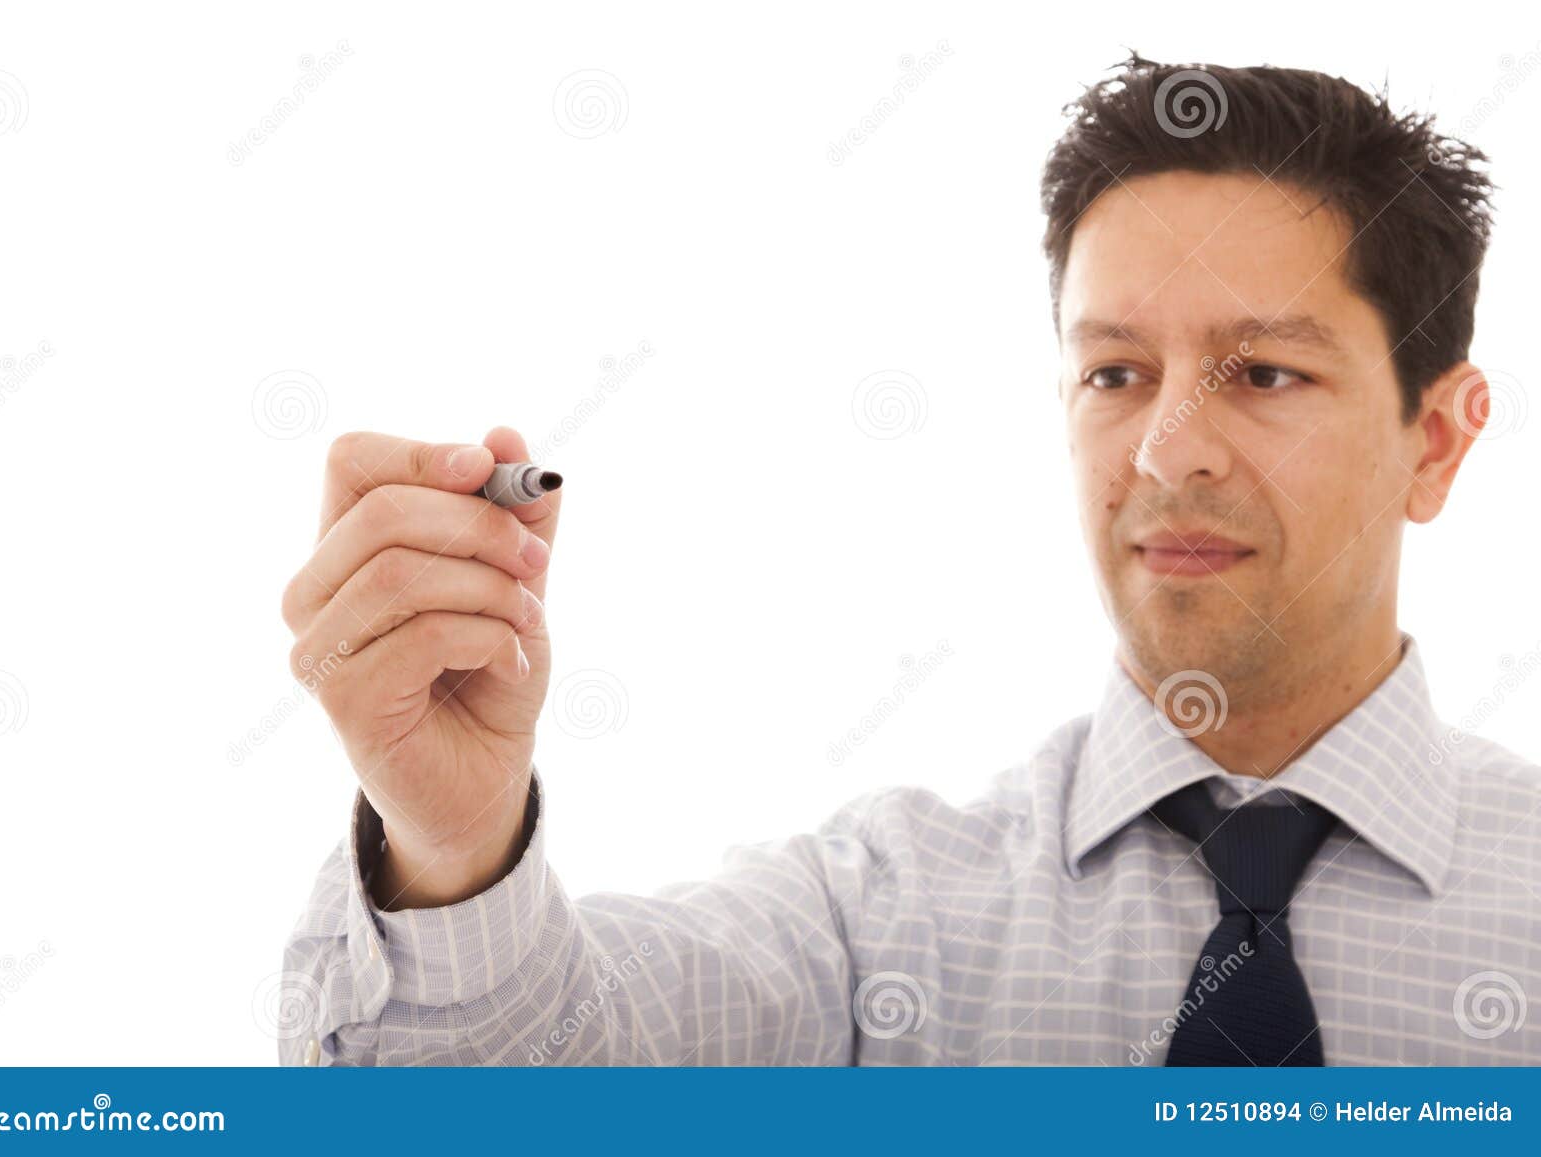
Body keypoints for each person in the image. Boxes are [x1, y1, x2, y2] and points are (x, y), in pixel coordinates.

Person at [277, 52, 1539, 1066]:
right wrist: (452, 844)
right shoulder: (875, 921)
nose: (1165, 452)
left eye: (1261, 373)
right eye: (1113, 373)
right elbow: (518, 1071)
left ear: (1432, 439)